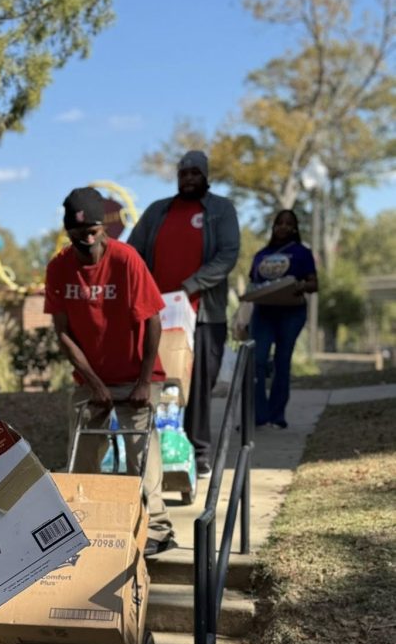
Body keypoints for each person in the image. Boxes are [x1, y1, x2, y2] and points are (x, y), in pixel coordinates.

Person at [45, 186, 175, 556]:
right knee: (83, 455)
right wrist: (94, 383)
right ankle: (85, 525)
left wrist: (144, 381)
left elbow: (152, 321)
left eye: (93, 230)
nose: (87, 238)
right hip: (92, 378)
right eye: (78, 231)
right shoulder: (58, 267)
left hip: (137, 375)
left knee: (141, 454)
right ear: (69, 230)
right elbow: (63, 333)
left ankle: (158, 528)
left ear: (104, 227)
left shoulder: (126, 260)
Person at [128, 149, 240, 478]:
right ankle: (160, 453)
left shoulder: (221, 210)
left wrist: (190, 286)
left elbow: (228, 254)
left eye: (195, 172)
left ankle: (200, 452)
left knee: (199, 385)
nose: (188, 178)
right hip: (160, 315)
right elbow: (134, 252)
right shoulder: (158, 211)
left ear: (205, 176)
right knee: (164, 384)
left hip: (204, 314)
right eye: (183, 173)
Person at [247, 209, 318, 429]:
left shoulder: (302, 253)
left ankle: (277, 416)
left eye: (289, 224)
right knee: (256, 361)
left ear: (295, 228)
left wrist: (298, 285)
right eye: (279, 223)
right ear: (273, 226)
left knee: (281, 361)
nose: (283, 227)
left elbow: (314, 285)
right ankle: (259, 415)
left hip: (291, 313)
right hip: (263, 312)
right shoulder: (261, 255)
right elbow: (253, 284)